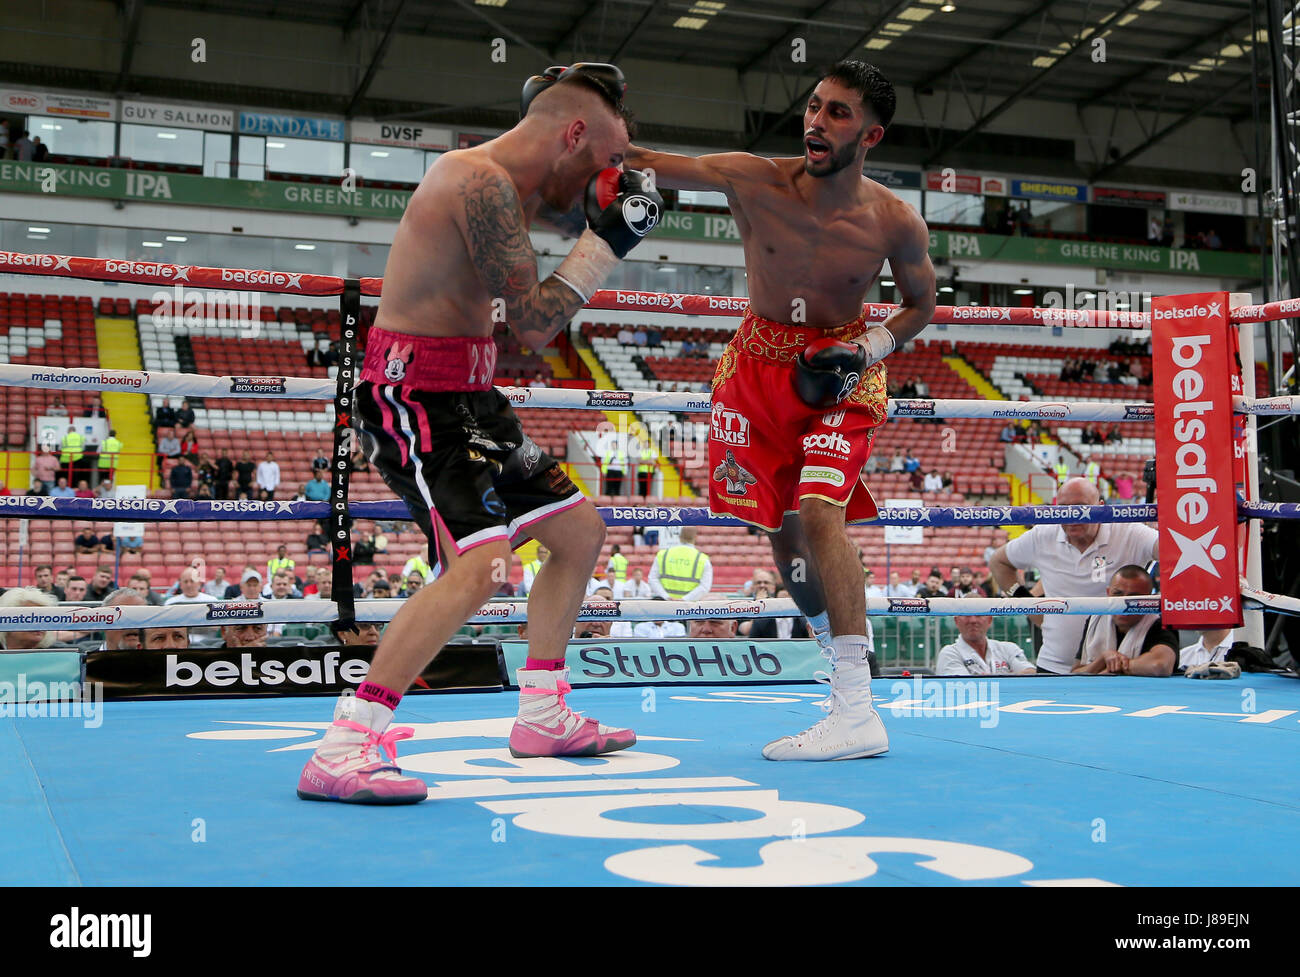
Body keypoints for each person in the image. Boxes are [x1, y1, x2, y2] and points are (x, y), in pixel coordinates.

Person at [298, 62, 655, 803]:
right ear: (575, 133)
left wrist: (600, 211)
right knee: (481, 566)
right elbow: (532, 322)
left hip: (471, 396)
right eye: (609, 159)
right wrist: (608, 241)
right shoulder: (480, 182)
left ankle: (542, 712)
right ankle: (345, 743)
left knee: (578, 532)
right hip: (415, 393)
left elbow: (528, 271)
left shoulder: (513, 186)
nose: (613, 174)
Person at [991, 477, 1158, 675]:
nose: (1072, 515)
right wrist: (1027, 605)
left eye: (1081, 507)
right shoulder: (1044, 534)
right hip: (1053, 665)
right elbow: (998, 562)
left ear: (1100, 507)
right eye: (1063, 508)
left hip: (1116, 667)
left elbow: (1175, 552)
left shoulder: (1129, 532)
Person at [1072, 566, 1177, 676]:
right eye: (1117, 594)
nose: (1123, 605)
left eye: (1133, 598)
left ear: (1148, 599)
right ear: (1108, 593)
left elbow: (1160, 666)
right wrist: (1102, 659)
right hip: (1100, 692)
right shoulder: (1096, 619)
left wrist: (1115, 666)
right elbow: (1076, 673)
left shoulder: (1159, 622)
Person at [934, 615, 1035, 676]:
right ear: (956, 620)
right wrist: (1012, 677)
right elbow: (965, 688)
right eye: (966, 615)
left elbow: (1031, 673)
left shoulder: (1008, 648)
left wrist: (989, 680)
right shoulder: (949, 653)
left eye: (979, 615)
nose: (973, 620)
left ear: (990, 620)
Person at [649, 526, 713, 601]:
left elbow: (652, 579)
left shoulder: (663, 554)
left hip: (665, 605)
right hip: (688, 608)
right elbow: (705, 587)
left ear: (679, 536)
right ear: (696, 537)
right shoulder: (703, 559)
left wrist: (666, 597)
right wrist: (684, 599)